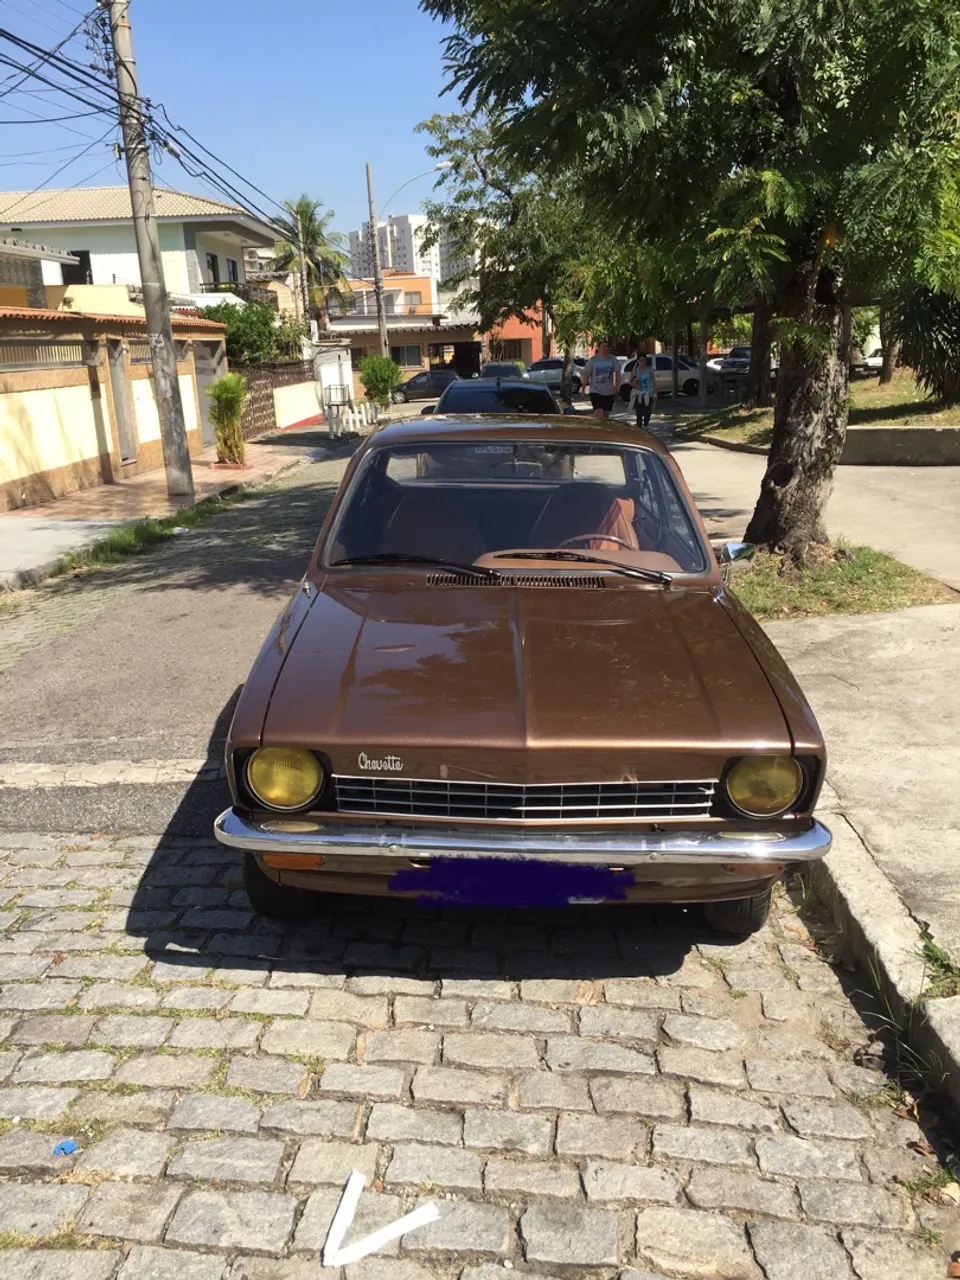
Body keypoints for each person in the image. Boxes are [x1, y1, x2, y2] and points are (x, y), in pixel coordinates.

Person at [581, 341, 620, 418]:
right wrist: (583, 388)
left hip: (609, 392)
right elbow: (587, 375)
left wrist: (617, 386)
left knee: (605, 415)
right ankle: (582, 419)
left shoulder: (612, 358)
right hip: (596, 391)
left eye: (607, 346)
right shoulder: (593, 360)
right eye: (603, 346)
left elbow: (617, 373)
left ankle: (601, 430)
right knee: (598, 413)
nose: (605, 348)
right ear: (599, 348)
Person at [631, 353, 656, 430]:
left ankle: (646, 425)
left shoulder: (650, 370)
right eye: (640, 360)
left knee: (647, 412)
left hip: (648, 394)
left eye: (643, 360)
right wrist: (634, 382)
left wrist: (655, 393)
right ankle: (639, 428)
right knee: (639, 413)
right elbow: (631, 382)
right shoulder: (635, 371)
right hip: (639, 394)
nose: (642, 362)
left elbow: (654, 382)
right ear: (637, 361)